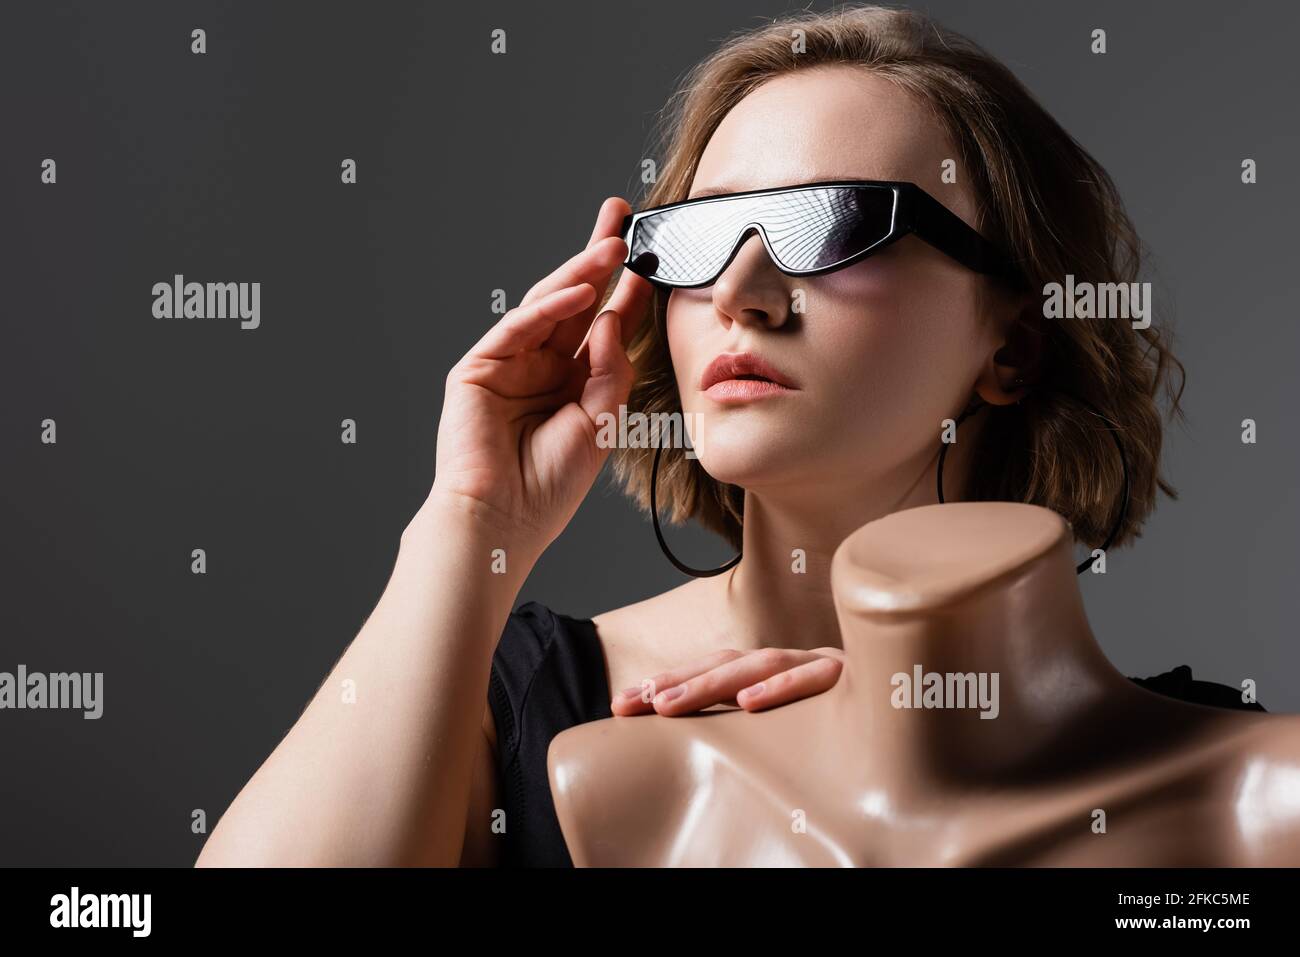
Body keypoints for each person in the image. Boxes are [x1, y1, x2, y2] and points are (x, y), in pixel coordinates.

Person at [195, 5, 1249, 868]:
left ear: (1012, 346)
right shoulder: (522, 706)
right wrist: (470, 527)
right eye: (697, 238)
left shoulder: (1211, 784)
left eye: (829, 225)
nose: (740, 293)